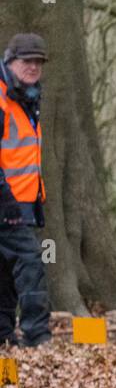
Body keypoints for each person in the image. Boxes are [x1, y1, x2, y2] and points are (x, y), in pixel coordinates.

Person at [0, 33, 51, 348]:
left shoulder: (27, 97)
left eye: (38, 62)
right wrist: (6, 201)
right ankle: (37, 334)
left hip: (23, 201)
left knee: (4, 270)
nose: (33, 67)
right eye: (26, 61)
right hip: (6, 202)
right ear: (10, 62)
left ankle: (4, 333)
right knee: (30, 261)